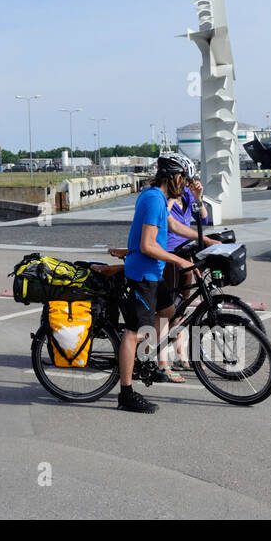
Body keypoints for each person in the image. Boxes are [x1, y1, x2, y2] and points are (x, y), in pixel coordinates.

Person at [113, 152, 195, 413]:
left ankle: (146, 360)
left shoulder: (159, 199)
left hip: (154, 273)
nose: (184, 184)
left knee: (169, 313)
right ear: (172, 177)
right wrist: (179, 261)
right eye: (183, 179)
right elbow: (147, 245)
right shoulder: (152, 199)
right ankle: (126, 393)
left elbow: (172, 227)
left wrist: (206, 240)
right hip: (143, 275)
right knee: (134, 332)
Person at [161, 169, 217, 373]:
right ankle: (170, 356)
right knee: (169, 306)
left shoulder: (187, 196)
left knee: (182, 305)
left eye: (187, 180)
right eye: (183, 180)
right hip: (169, 254)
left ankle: (180, 356)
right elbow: (164, 221)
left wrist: (198, 198)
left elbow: (204, 220)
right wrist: (170, 199)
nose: (185, 183)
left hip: (186, 252)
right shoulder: (164, 198)